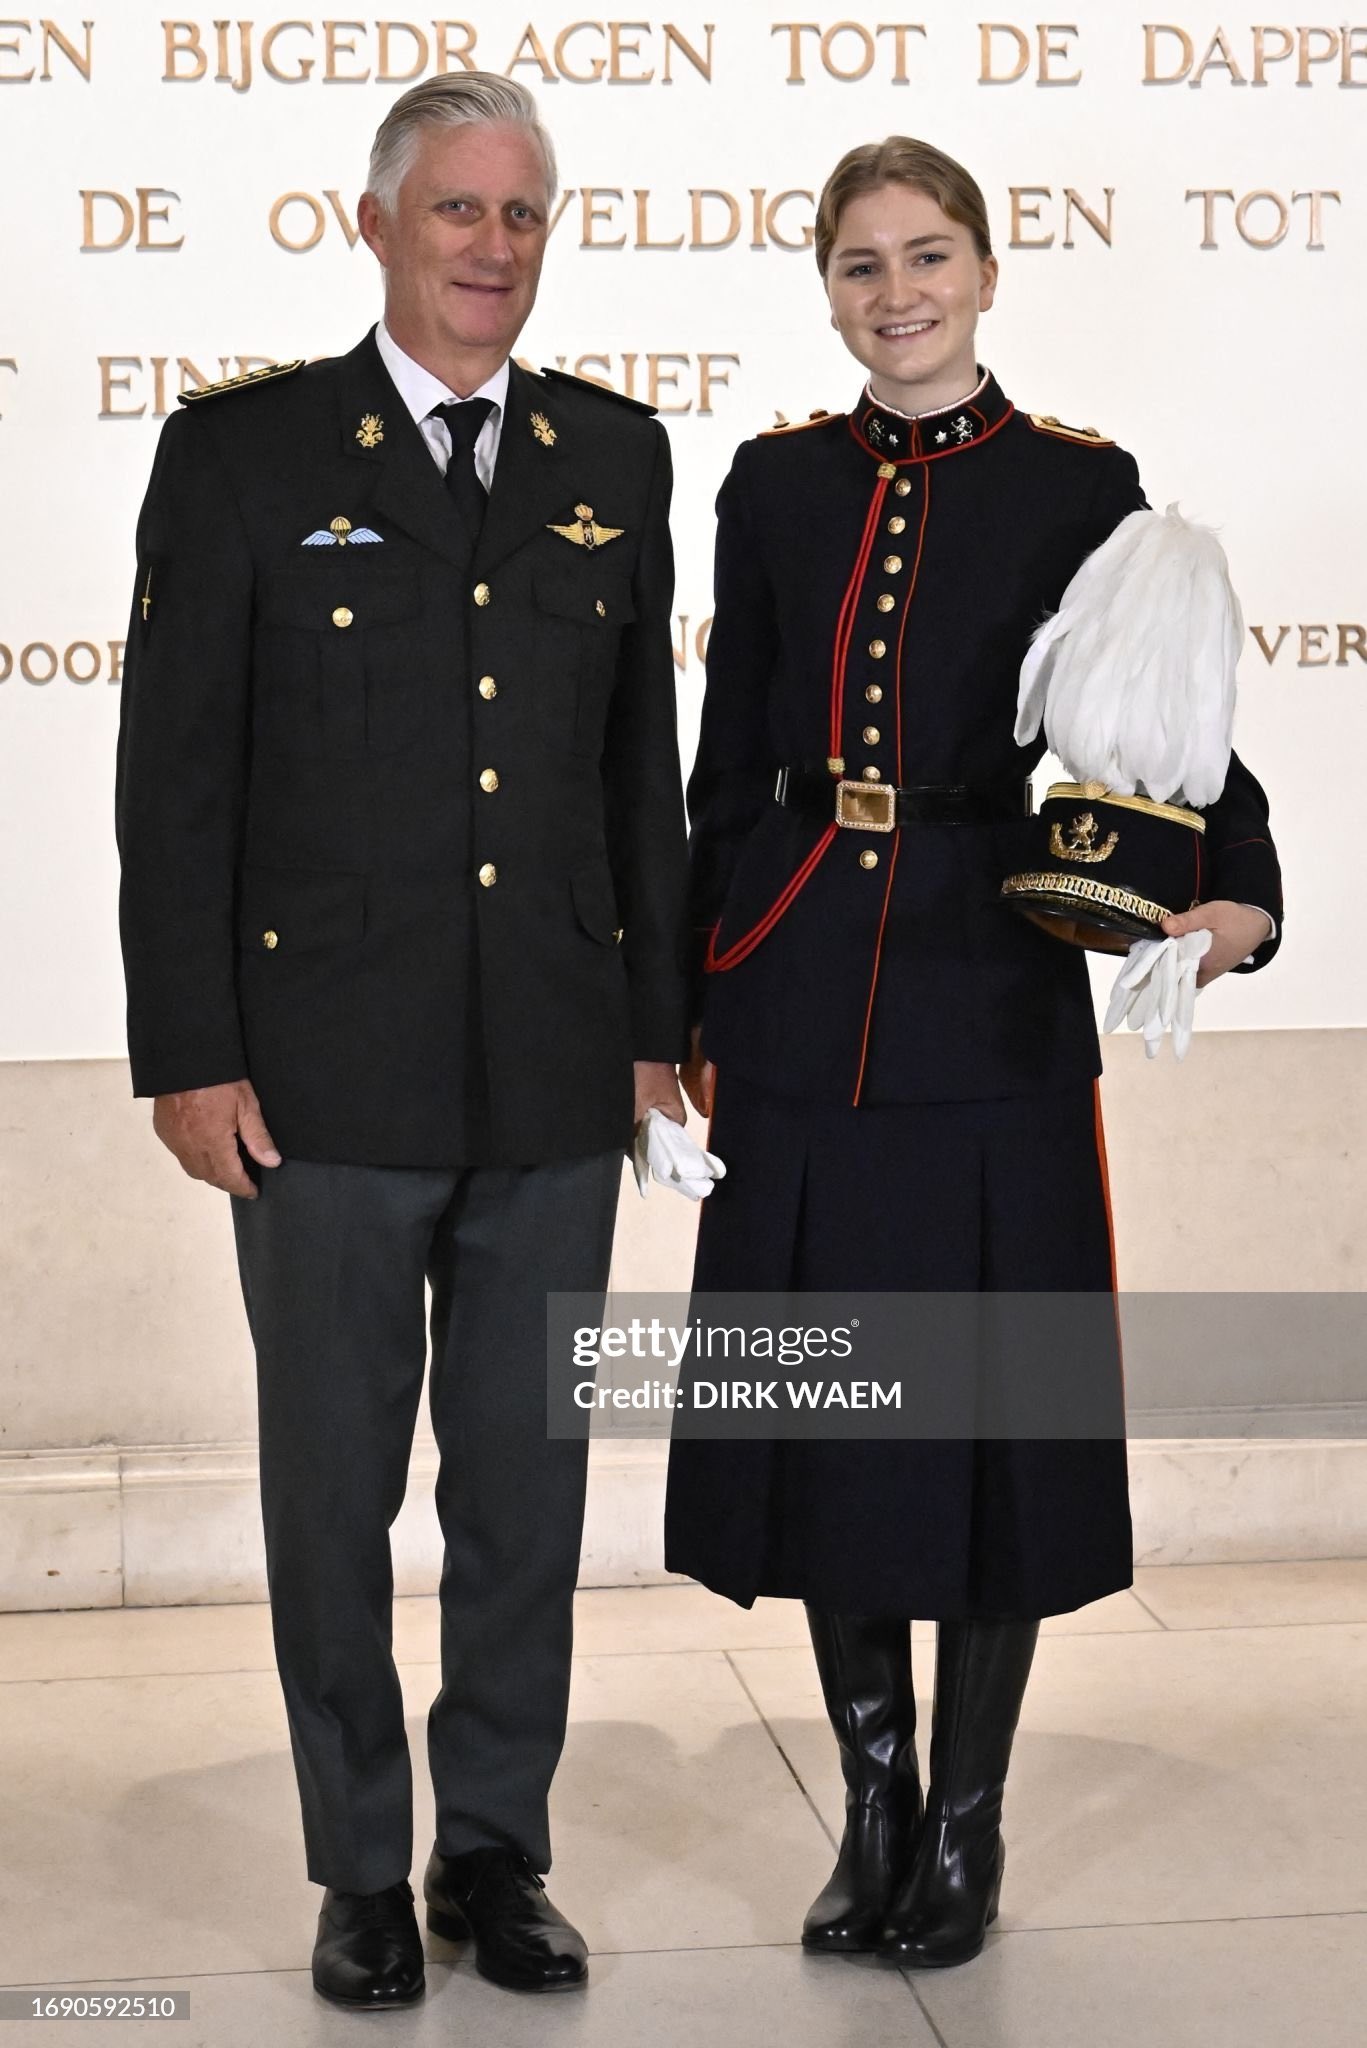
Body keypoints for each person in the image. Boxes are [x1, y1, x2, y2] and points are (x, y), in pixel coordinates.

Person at [664, 136, 1282, 1970]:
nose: (896, 293)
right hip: (789, 988)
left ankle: (968, 1819)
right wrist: (685, 1001)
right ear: (827, 288)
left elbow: (1163, 727)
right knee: (827, 1408)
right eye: (860, 266)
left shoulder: (1082, 488)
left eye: (928, 257)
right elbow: (722, 762)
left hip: (983, 997)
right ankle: (869, 1793)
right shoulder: (771, 482)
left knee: (982, 1424)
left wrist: (1238, 891)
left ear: (991, 273)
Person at [115, 73, 688, 2010]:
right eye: (457, 211)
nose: (493, 249)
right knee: (331, 1486)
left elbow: (637, 775)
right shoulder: (246, 454)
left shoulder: (613, 453)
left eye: (523, 216)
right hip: (322, 1087)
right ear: (375, 225)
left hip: (549, 1069)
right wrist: (189, 1051)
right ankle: (361, 1862)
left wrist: (659, 1024)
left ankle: (492, 1853)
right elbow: (175, 784)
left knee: (524, 1490)